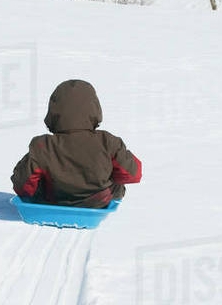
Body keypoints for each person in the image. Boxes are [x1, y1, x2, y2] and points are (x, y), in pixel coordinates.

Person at [11, 79, 142, 209]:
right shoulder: (107, 142)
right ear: (94, 109)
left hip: (53, 202)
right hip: (99, 202)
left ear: (53, 112)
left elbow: (21, 184)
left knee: (39, 181)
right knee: (117, 185)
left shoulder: (43, 146)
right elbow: (133, 174)